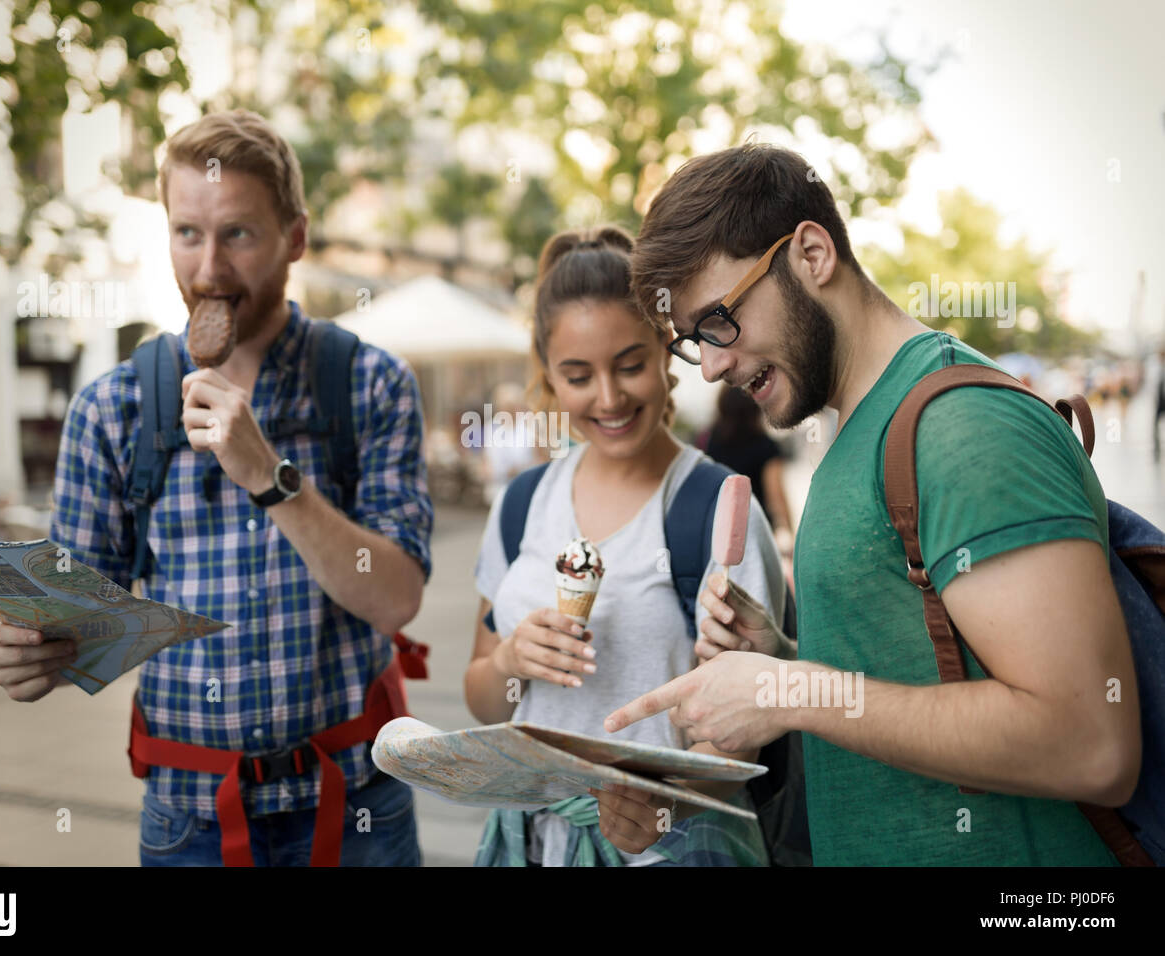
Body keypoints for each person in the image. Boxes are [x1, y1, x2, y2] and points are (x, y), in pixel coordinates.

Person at [605, 142, 1139, 865]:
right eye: (692, 342)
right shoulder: (859, 426)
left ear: (813, 253)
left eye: (720, 321)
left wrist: (792, 690)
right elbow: (915, 682)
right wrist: (785, 659)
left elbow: (1090, 741)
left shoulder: (963, 426)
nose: (713, 364)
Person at [0, 110, 433, 867]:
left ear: (295, 236)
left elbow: (397, 601)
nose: (210, 271)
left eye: (239, 235)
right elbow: (84, 625)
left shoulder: (368, 384)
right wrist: (32, 656)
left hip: (355, 808)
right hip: (191, 822)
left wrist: (270, 476)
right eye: (188, 233)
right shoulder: (111, 407)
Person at [463, 226, 787, 866]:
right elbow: (482, 698)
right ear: (548, 376)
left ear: (668, 351)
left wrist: (670, 802)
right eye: (578, 375)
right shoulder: (521, 505)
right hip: (537, 846)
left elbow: (744, 732)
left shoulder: (717, 509)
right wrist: (507, 664)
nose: (608, 398)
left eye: (630, 365)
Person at [701, 384, 794, 558]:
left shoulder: (707, 441)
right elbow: (776, 496)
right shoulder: (765, 446)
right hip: (758, 535)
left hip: (716, 532)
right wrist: (788, 531)